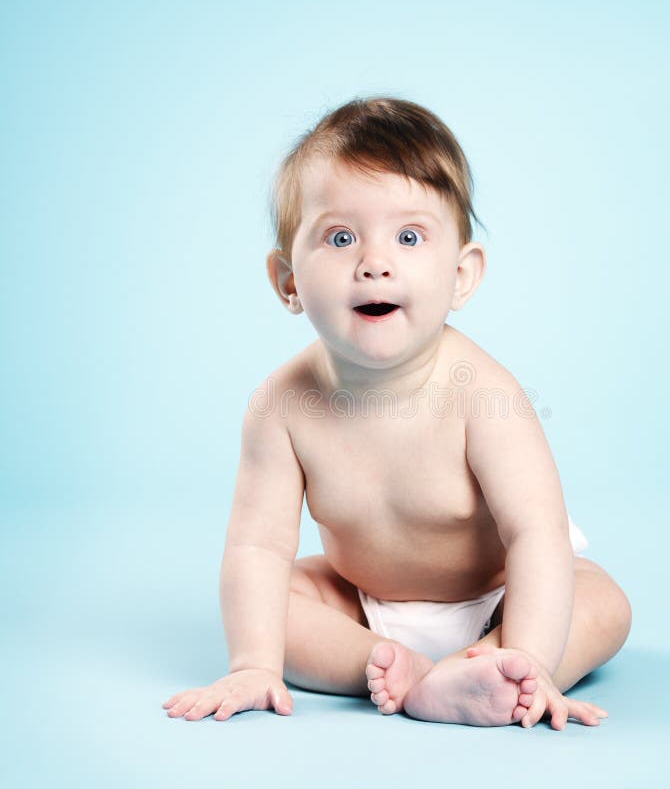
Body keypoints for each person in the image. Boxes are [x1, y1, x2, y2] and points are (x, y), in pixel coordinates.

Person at [162, 96, 632, 728]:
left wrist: (532, 651)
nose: (374, 262)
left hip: (499, 597)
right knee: (281, 599)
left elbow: (535, 535)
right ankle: (411, 674)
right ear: (288, 282)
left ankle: (501, 664)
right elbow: (257, 546)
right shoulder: (280, 407)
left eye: (409, 237)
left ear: (461, 276)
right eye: (340, 237)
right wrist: (253, 661)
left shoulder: (484, 395)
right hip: (365, 603)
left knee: (603, 603)